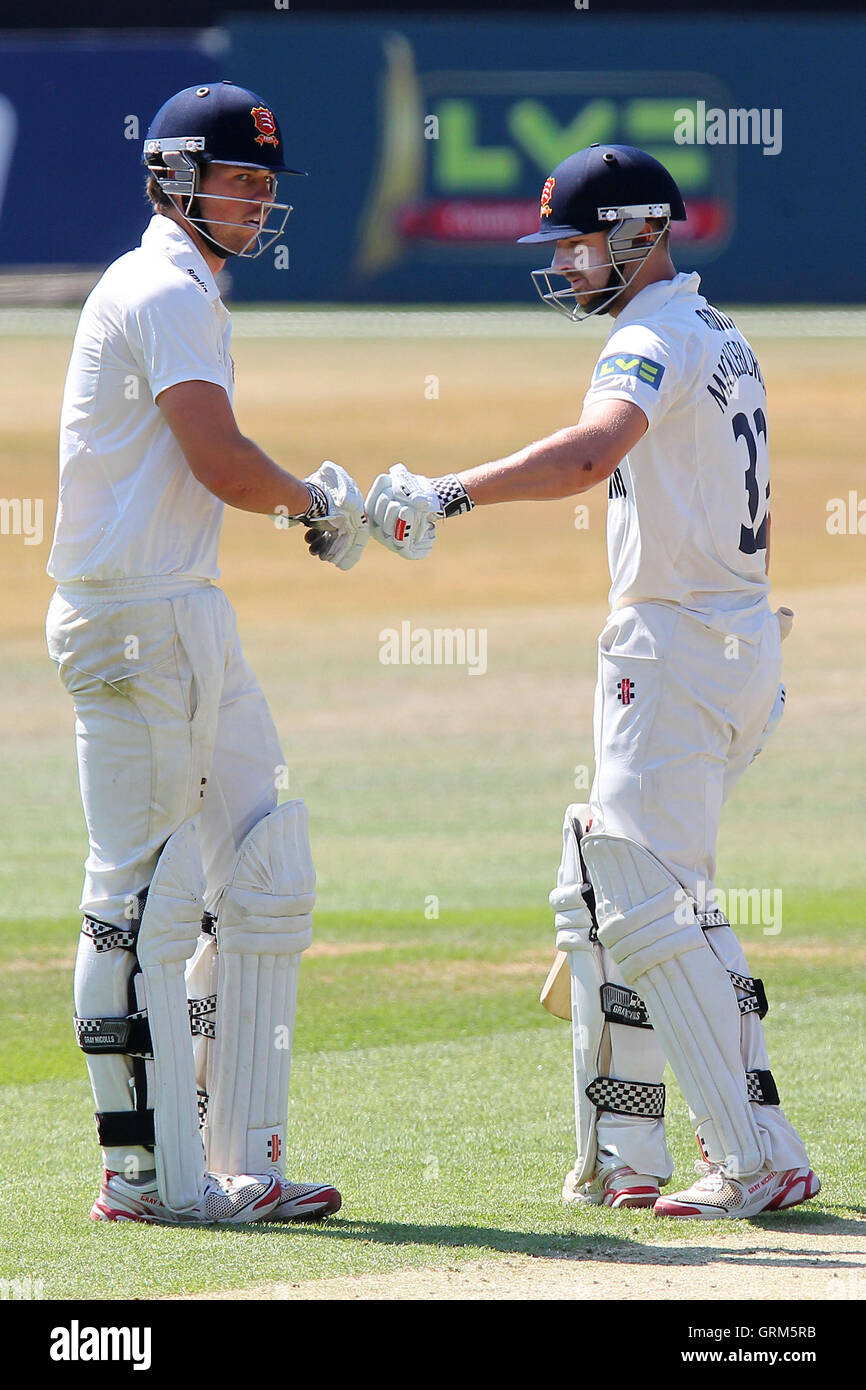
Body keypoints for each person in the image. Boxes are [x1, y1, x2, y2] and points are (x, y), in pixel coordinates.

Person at [363, 144, 819, 1219]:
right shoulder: (714, 329)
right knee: (621, 897)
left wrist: (443, 494)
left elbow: (585, 455)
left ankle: (754, 1155)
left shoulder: (651, 335)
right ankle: (626, 1150)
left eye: (574, 245)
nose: (565, 267)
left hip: (675, 654)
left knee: (644, 901)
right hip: (728, 641)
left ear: (636, 233)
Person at [46, 81, 367, 1225]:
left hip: (183, 610)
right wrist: (316, 505)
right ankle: (141, 1172)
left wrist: (307, 504)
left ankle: (241, 1155)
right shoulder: (162, 286)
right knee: (135, 901)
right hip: (134, 618)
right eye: (237, 179)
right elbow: (222, 462)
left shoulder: (184, 286)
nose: (255, 199)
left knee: (263, 868)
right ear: (176, 179)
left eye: (264, 183)